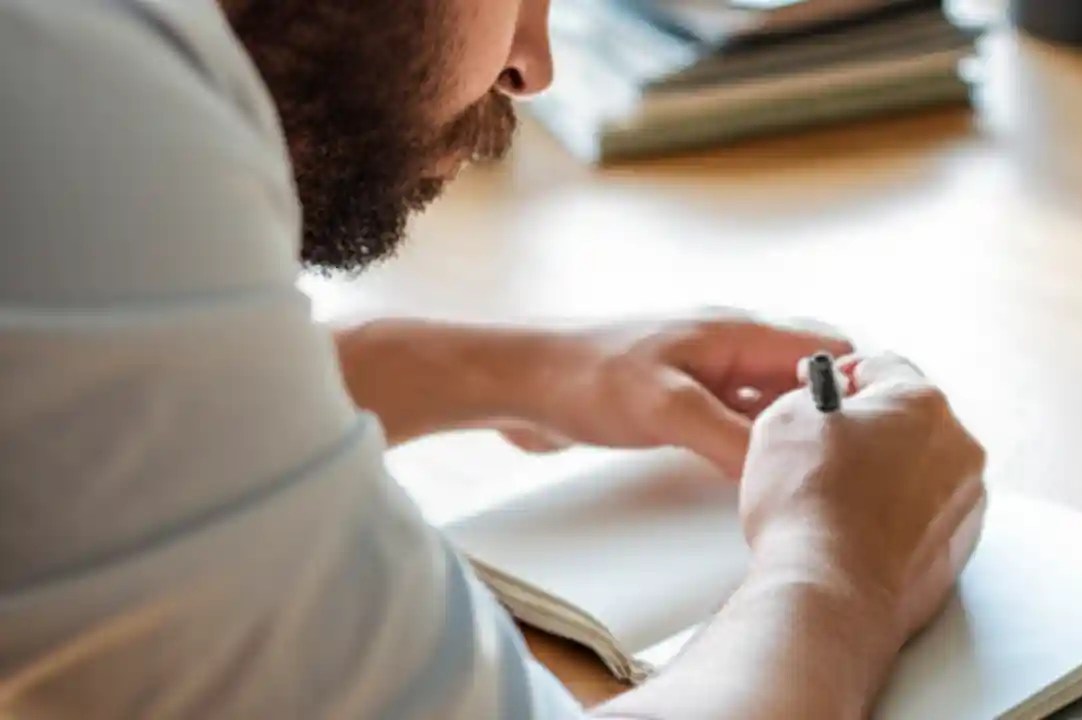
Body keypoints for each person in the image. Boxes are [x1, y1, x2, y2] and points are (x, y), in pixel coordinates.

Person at [0, 0, 987, 718]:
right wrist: (837, 570)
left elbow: (65, 414)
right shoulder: (76, 96)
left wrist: (483, 371)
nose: (534, 62)